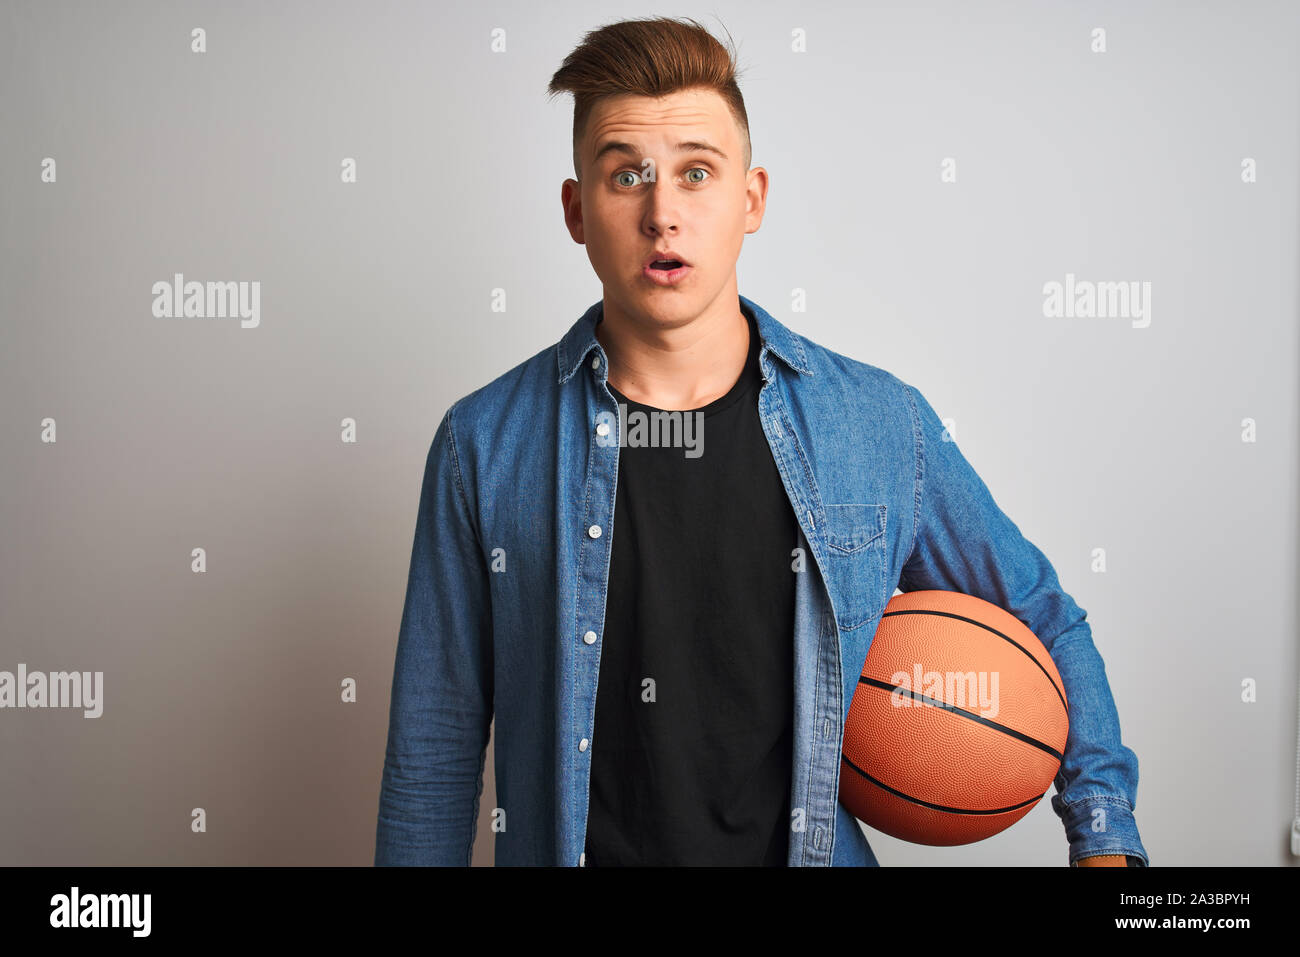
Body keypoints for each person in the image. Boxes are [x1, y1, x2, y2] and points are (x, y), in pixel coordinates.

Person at [374, 16, 1148, 868]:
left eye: (696, 173)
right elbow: (434, 746)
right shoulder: (482, 446)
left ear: (751, 200)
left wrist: (1103, 838)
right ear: (576, 210)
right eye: (625, 174)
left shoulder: (878, 426)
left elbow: (1047, 620)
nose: (662, 212)